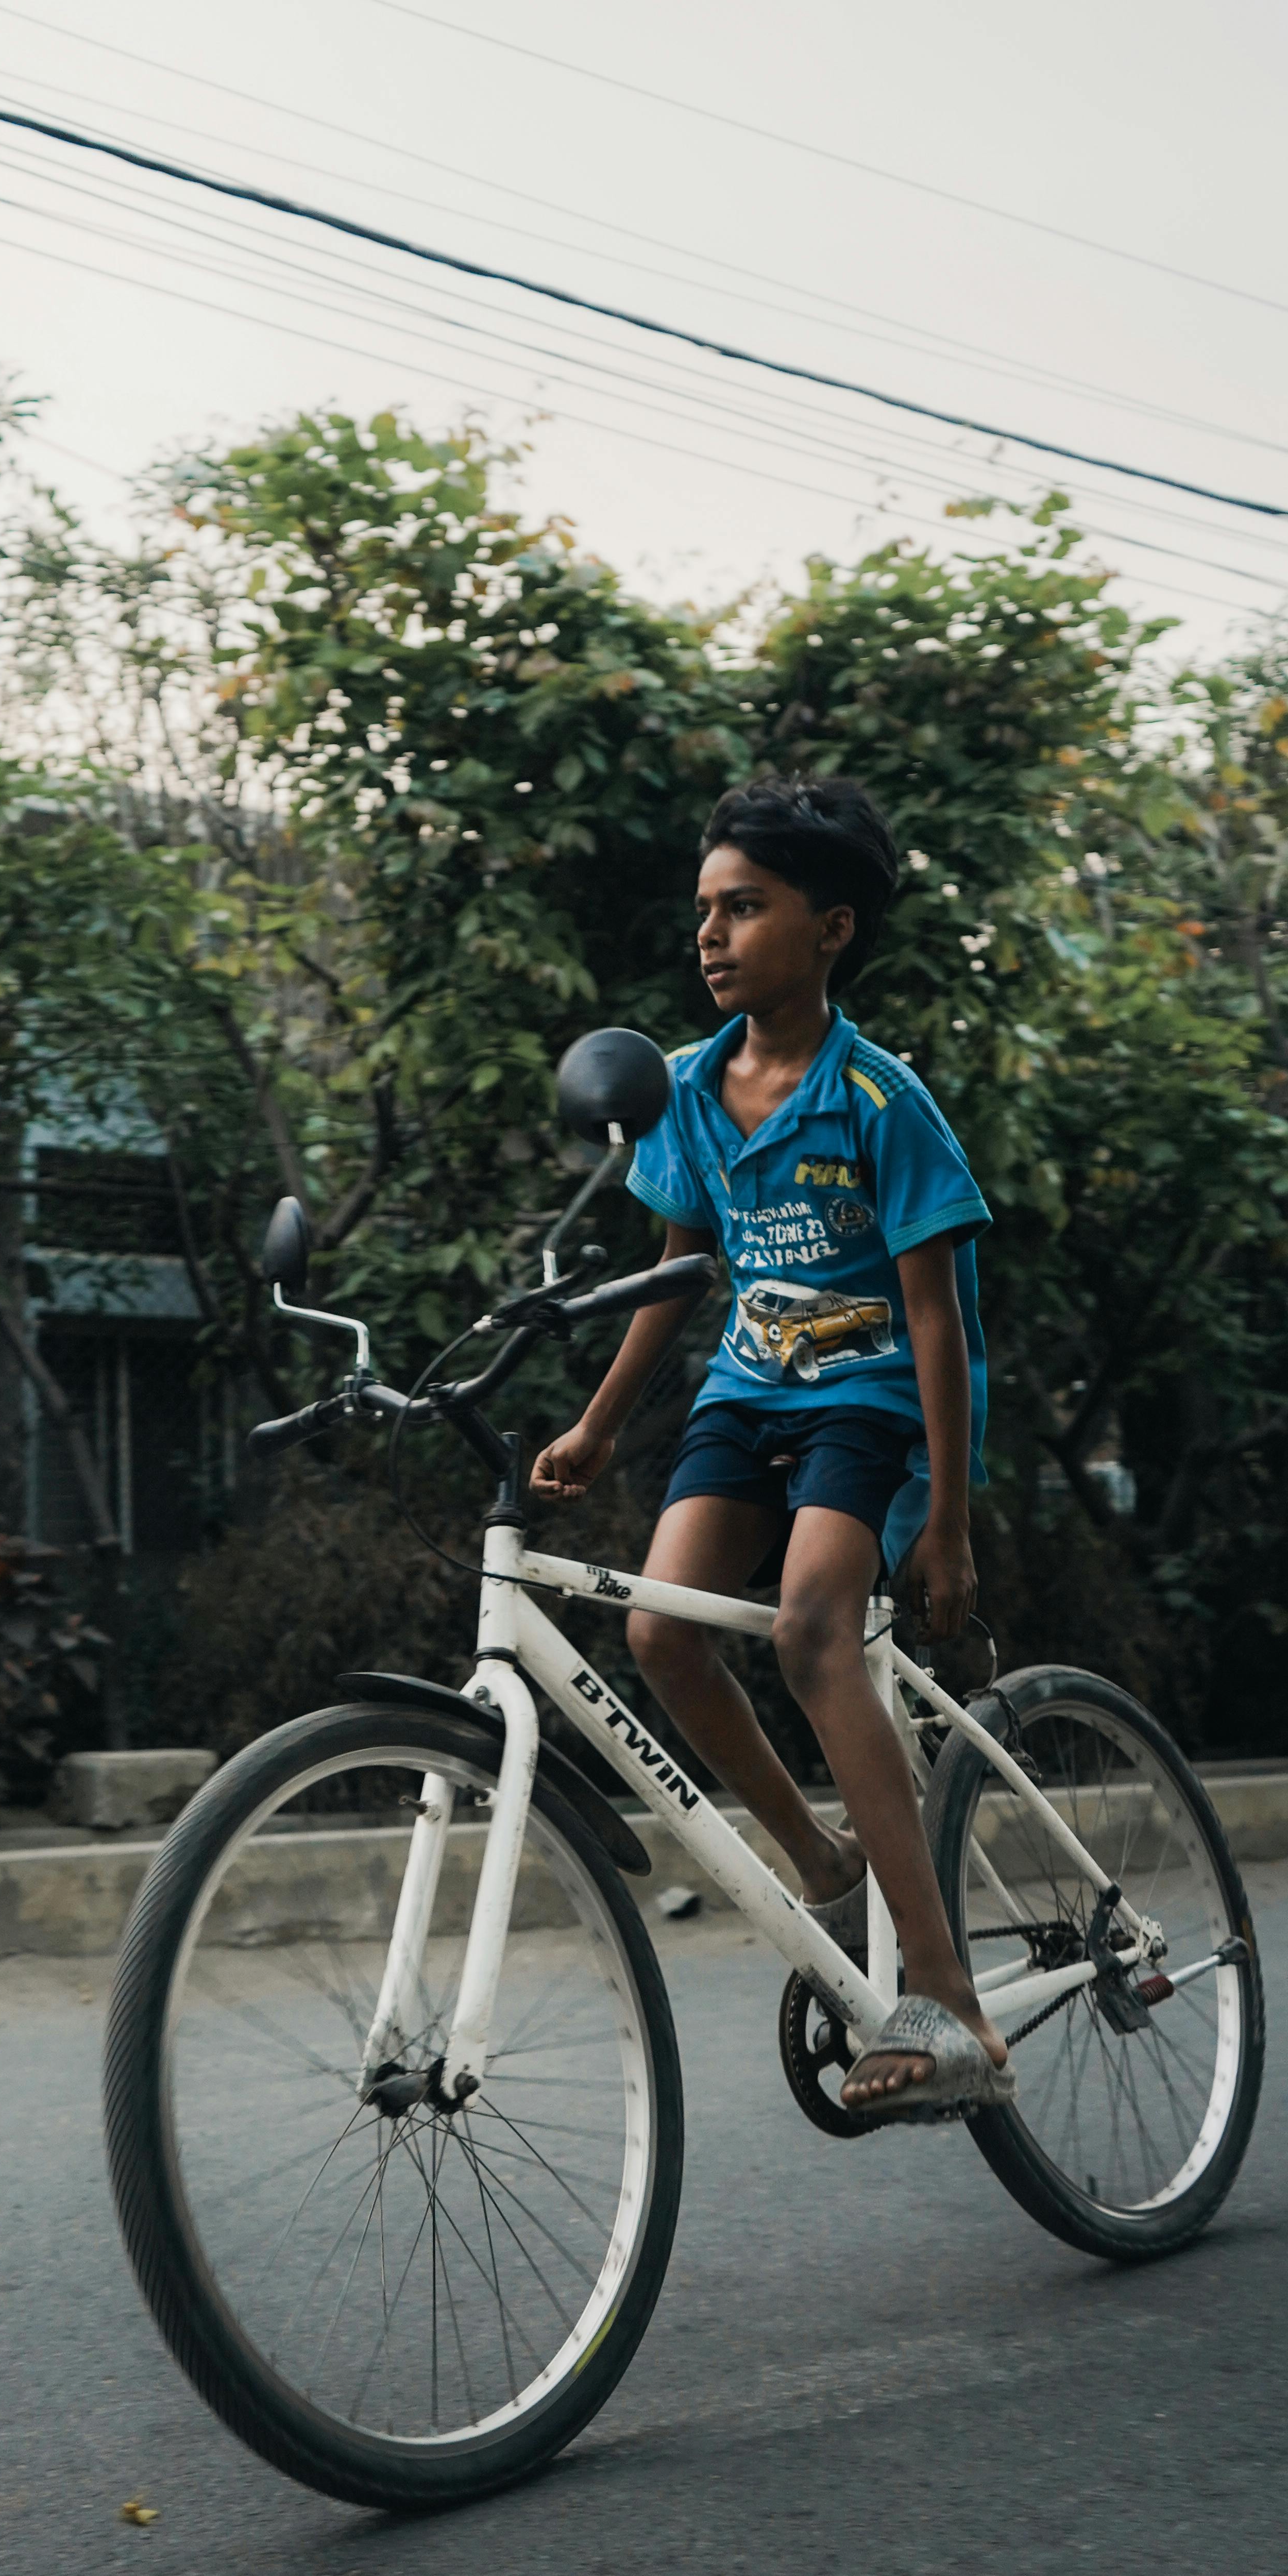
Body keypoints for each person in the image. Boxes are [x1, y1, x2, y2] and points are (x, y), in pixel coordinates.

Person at [530, 775, 1012, 2121]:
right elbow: (679, 1272)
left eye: (745, 908)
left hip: (871, 1396)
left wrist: (949, 1523)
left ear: (832, 927)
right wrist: (599, 1422)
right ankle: (825, 1864)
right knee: (662, 1631)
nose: (711, 934)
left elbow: (937, 1316)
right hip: (750, 1389)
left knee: (810, 1632)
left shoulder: (878, 1098)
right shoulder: (688, 1088)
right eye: (705, 909)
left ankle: (948, 1998)